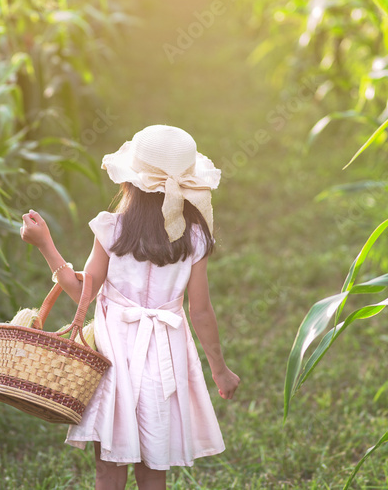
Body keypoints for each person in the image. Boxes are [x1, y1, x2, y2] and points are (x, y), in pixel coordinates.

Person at [20, 124, 240, 490]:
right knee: (155, 468)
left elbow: (82, 292)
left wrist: (45, 244)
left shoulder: (112, 229)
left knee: (109, 464)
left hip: (112, 361)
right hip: (165, 357)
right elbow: (200, 311)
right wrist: (219, 369)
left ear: (129, 182)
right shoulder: (195, 237)